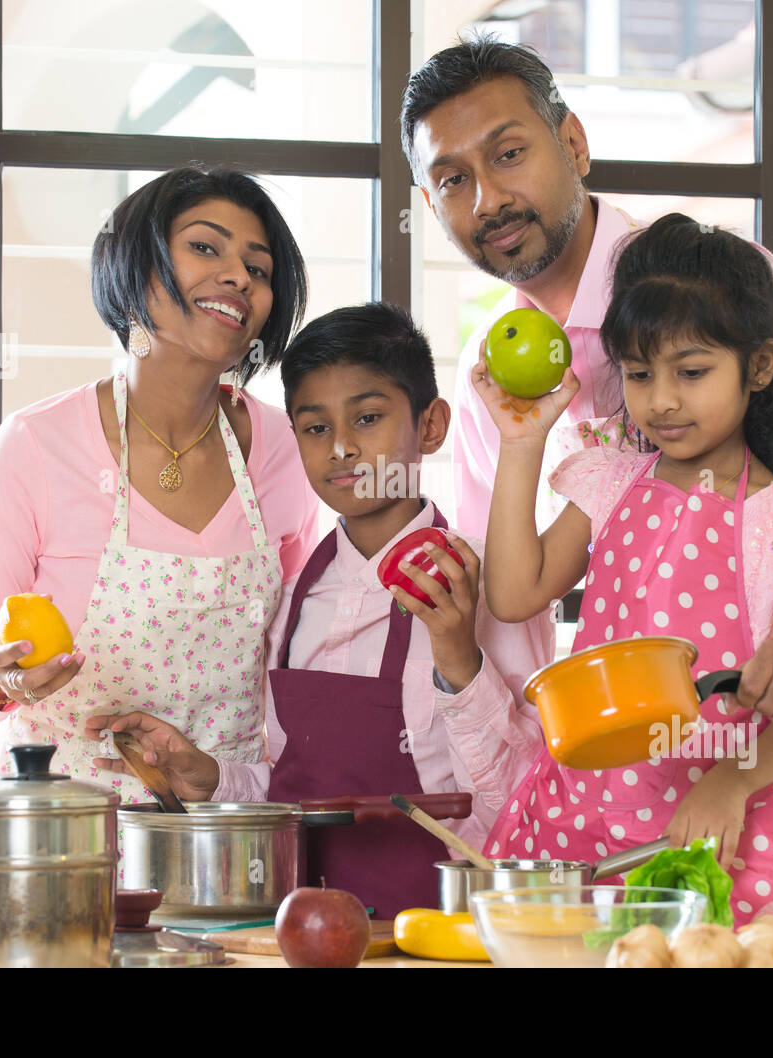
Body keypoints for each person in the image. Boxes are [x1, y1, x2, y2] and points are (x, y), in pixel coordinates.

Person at [400, 36, 773, 909]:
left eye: (509, 154)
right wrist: (512, 800)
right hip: (630, 793)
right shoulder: (490, 377)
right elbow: (516, 616)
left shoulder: (717, 284)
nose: (489, 198)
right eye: (453, 180)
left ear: (571, 144)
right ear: (430, 204)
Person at [87, 302, 551, 918]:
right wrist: (207, 776)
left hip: (442, 932)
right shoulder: (295, 598)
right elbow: (292, 789)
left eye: (368, 417)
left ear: (431, 425)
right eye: (314, 427)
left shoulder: (494, 581)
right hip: (300, 929)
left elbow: (530, 797)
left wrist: (460, 664)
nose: (341, 448)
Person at [477, 214, 773, 924]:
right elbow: (512, 591)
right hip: (582, 812)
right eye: (641, 374)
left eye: (692, 371)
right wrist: (520, 444)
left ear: (760, 367)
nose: (662, 400)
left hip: (715, 834)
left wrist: (732, 783)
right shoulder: (610, 484)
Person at [0, 166, 320, 793]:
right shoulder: (35, 447)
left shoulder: (287, 449)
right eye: (204, 247)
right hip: (61, 838)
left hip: (219, 836)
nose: (238, 277)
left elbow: (299, 666)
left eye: (259, 268)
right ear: (135, 267)